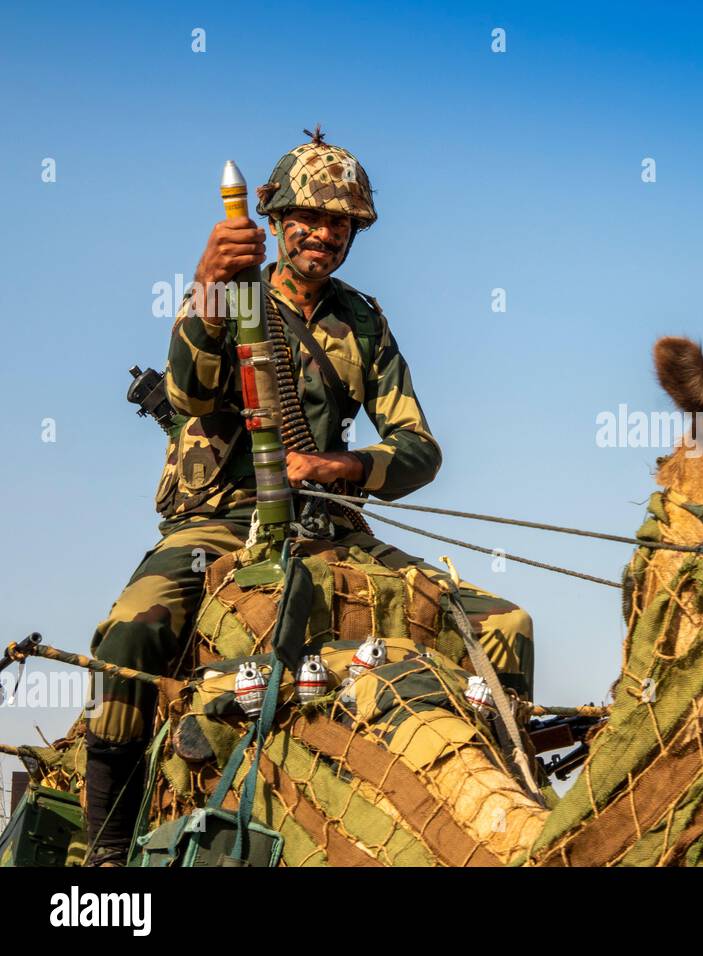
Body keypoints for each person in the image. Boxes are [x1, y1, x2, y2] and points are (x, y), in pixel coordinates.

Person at [81, 128, 533, 866]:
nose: (323, 233)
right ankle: (103, 850)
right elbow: (188, 392)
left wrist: (339, 468)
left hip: (329, 523)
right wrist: (206, 286)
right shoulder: (230, 292)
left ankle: (514, 803)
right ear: (275, 218)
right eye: (309, 218)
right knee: (133, 629)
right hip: (224, 520)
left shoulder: (364, 321)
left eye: (340, 222)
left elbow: (419, 449)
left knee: (506, 623)